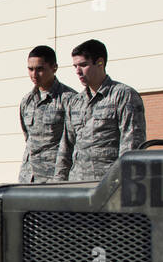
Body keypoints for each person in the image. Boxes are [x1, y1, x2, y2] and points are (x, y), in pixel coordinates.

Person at [57, 39, 146, 181]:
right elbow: (66, 147)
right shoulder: (74, 102)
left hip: (107, 184)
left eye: (83, 65)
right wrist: (59, 183)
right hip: (76, 185)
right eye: (75, 66)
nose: (78, 71)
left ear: (100, 63)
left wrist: (122, 183)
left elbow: (132, 145)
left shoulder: (123, 95)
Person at [18, 45, 77, 183]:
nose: (34, 74)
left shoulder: (69, 99)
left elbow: (72, 142)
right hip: (28, 178)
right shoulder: (27, 101)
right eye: (30, 69)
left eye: (40, 69)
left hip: (54, 178)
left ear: (54, 68)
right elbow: (28, 137)